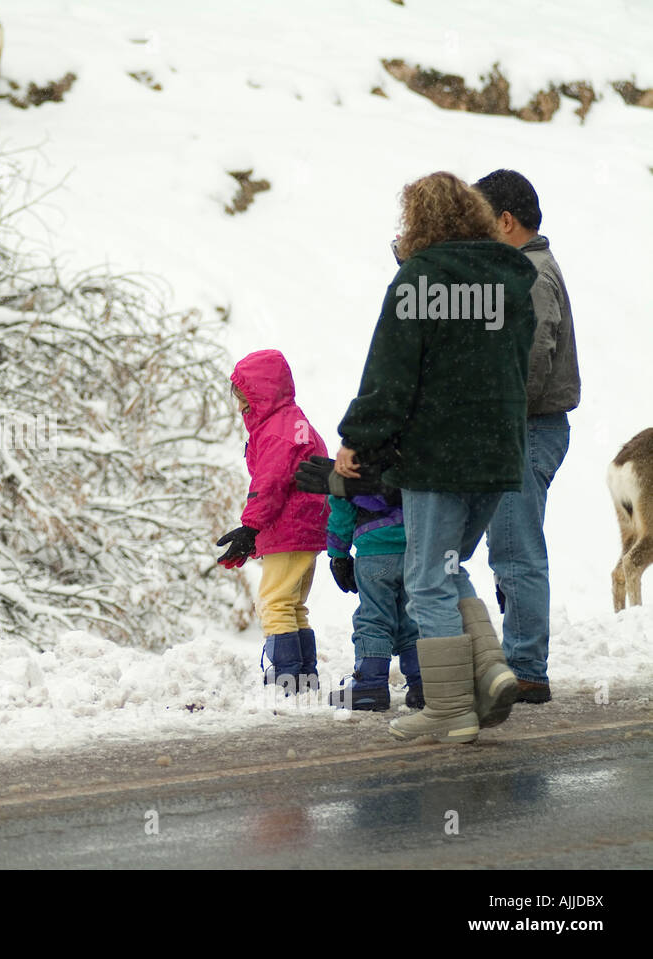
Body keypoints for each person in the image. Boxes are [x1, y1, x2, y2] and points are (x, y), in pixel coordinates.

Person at [333, 172, 538, 743]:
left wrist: (358, 438)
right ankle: (492, 671)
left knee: (425, 579)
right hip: (498, 453)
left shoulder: (418, 280)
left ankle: (449, 710)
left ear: (418, 222)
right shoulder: (511, 278)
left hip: (437, 456)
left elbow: (389, 374)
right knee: (448, 567)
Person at [474, 170, 579, 705]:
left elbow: (531, 361)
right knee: (507, 546)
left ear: (507, 221)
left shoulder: (531, 275)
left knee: (516, 550)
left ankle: (526, 668)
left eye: (482, 222)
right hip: (522, 427)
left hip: (528, 427)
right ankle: (519, 658)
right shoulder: (519, 270)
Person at [216, 349, 328, 695]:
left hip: (289, 529)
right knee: (293, 604)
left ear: (260, 393)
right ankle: (303, 678)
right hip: (305, 527)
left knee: (273, 602)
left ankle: (285, 681)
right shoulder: (292, 422)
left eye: (243, 398)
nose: (239, 407)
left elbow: (269, 483)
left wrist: (250, 527)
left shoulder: (278, 432)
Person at [326, 485, 423, 711]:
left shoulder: (357, 454)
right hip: (415, 545)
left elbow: (341, 503)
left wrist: (338, 554)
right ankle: (422, 682)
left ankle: (370, 684)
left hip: (374, 547)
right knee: (413, 617)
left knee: (374, 618)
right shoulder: (412, 451)